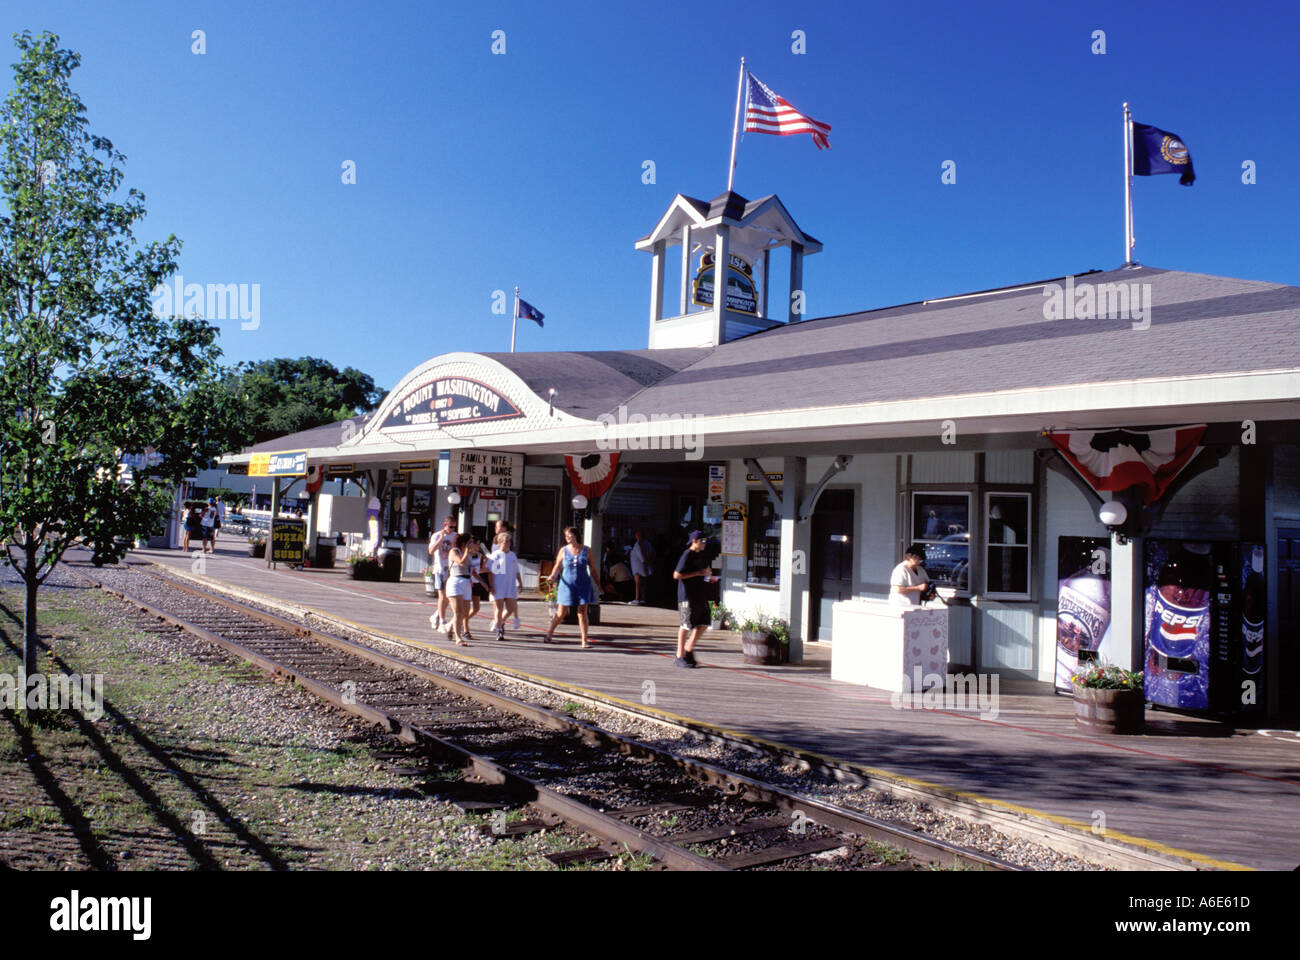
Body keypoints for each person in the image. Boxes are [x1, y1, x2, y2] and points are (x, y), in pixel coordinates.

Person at [544, 526, 602, 648]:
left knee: (582, 612)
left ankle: (584, 640)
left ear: (576, 535)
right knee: (561, 612)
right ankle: (549, 634)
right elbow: (558, 566)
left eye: (569, 535)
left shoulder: (587, 550)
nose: (568, 538)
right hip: (567, 584)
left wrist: (598, 584)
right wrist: (552, 576)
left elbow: (593, 568)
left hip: (583, 584)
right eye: (566, 536)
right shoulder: (563, 550)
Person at [672, 530, 715, 668]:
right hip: (687, 595)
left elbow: (704, 572)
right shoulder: (687, 554)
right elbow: (677, 575)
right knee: (685, 625)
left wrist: (708, 576)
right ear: (694, 541)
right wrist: (698, 573)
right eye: (702, 541)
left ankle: (689, 647)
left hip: (699, 593)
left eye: (705, 541)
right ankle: (679, 656)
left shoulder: (701, 555)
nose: (704, 544)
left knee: (703, 622)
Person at [488, 533, 524, 639]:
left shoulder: (512, 555)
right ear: (499, 543)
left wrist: (520, 583)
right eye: (505, 542)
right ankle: (499, 630)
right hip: (499, 585)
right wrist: (491, 586)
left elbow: (516, 571)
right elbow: (491, 572)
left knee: (511, 608)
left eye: (509, 542)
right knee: (499, 608)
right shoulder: (495, 555)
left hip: (510, 585)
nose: (508, 544)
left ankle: (498, 622)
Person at [442, 533, 473, 646]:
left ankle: (449, 626)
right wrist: (467, 551)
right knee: (458, 612)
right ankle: (458, 638)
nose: (472, 544)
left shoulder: (468, 553)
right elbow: (461, 562)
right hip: (455, 582)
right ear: (464, 543)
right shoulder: (454, 551)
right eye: (470, 542)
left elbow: (471, 568)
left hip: (466, 582)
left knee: (464, 613)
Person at [427, 516, 456, 632]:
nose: (452, 529)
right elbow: (431, 551)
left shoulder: (455, 536)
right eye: (450, 527)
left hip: (451, 569)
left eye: (454, 527)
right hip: (440, 568)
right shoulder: (436, 535)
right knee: (442, 596)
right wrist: (440, 539)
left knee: (449, 597)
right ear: (445, 525)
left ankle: (436, 615)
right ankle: (442, 621)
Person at [629, 529, 654, 605]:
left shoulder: (638, 544)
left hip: (638, 565)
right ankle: (643, 599)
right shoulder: (648, 543)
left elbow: (641, 556)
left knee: (638, 583)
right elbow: (652, 553)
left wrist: (644, 561)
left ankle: (637, 599)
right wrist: (648, 562)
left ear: (638, 536)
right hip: (645, 565)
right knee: (643, 583)